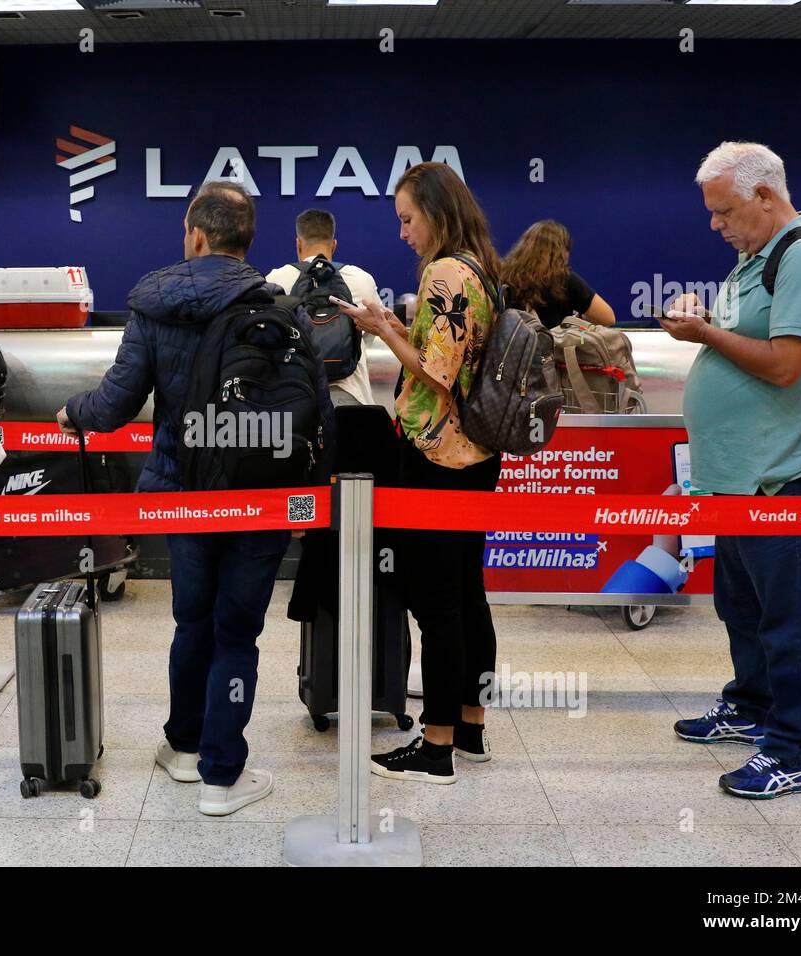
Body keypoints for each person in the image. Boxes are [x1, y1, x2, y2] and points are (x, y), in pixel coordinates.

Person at [58, 181, 335, 816]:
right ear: (248, 242)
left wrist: (72, 412)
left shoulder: (156, 305)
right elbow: (318, 415)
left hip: (183, 493)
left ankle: (183, 748)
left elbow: (112, 406)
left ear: (195, 235)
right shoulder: (283, 308)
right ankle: (221, 774)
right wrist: (307, 500)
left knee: (192, 622)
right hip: (262, 499)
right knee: (238, 634)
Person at [661, 141, 801, 799]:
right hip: (741, 477)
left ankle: (794, 750)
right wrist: (706, 320)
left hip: (786, 474)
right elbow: (749, 342)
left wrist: (705, 336)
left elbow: (783, 365)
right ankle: (750, 703)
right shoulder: (754, 260)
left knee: (791, 617)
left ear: (766, 196)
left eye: (726, 211)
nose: (717, 224)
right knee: (740, 603)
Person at [336, 161, 502, 784]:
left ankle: (435, 748)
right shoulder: (478, 266)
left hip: (437, 455)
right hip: (476, 455)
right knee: (467, 591)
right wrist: (393, 328)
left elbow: (437, 373)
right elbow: (455, 354)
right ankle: (469, 726)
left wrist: (382, 331)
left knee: (436, 601)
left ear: (435, 211)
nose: (403, 232)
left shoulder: (445, 272)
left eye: (408, 219)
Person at [267, 208, 382, 406]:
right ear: (334, 244)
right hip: (352, 396)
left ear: (298, 243)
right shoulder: (362, 280)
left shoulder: (276, 280)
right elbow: (373, 333)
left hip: (296, 395)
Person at [500, 219, 616, 328]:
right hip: (553, 347)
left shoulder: (505, 275)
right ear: (562, 252)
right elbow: (608, 318)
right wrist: (578, 318)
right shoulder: (564, 280)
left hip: (512, 347)